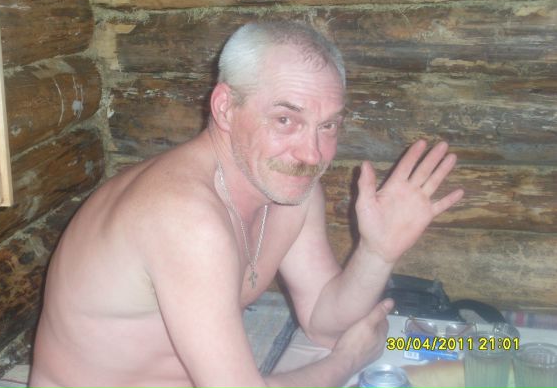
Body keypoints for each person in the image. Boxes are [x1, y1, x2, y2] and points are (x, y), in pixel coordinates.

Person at [30, 21, 464, 388]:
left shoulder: (288, 190)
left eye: (328, 126)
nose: (312, 154)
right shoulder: (185, 217)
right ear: (225, 107)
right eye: (285, 119)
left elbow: (323, 322)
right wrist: (345, 362)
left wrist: (377, 252)